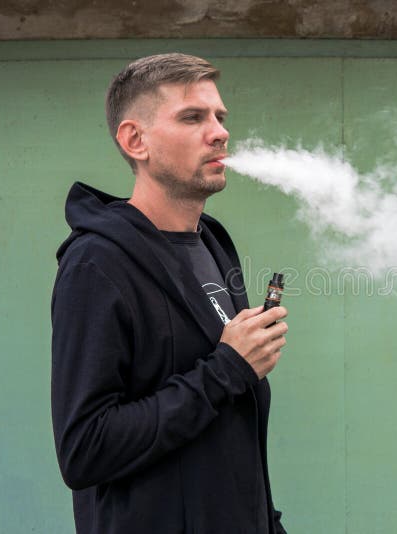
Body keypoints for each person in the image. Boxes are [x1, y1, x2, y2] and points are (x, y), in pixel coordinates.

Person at [50, 53, 289, 533]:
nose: (219, 132)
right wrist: (227, 369)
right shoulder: (97, 264)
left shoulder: (213, 243)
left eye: (220, 117)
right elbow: (84, 450)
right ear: (135, 140)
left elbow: (226, 438)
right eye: (192, 117)